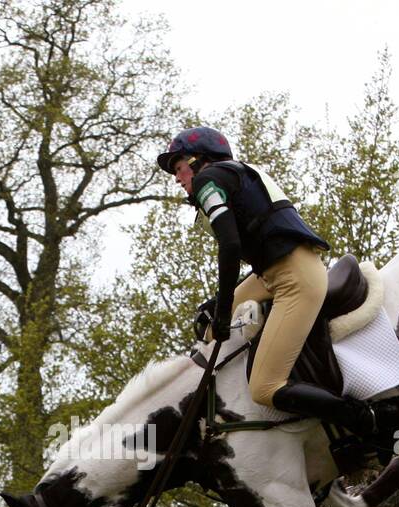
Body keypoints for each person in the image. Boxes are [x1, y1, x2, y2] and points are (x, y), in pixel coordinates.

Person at [157, 126, 375, 434]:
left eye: (179, 169)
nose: (177, 179)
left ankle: (362, 418)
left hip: (294, 279)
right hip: (275, 270)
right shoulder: (232, 174)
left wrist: (223, 310)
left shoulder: (209, 180)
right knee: (207, 328)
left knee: (264, 387)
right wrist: (220, 308)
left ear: (197, 160)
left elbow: (230, 246)